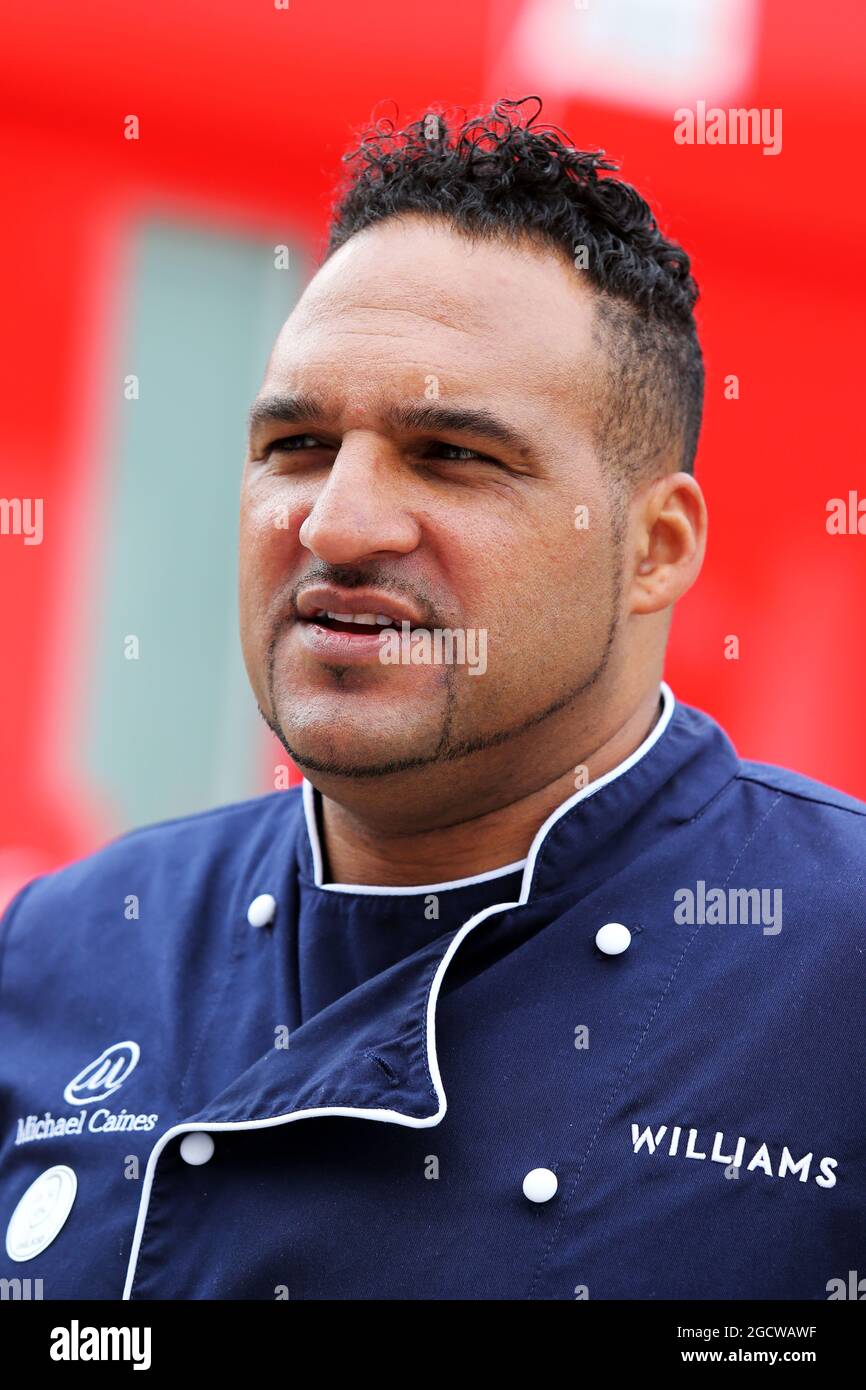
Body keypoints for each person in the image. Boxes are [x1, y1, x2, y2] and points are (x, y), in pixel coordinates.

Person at [1, 97, 863, 1301]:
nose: (337, 523)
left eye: (452, 455)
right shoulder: (62, 945)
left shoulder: (832, 966)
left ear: (654, 547)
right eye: (294, 444)